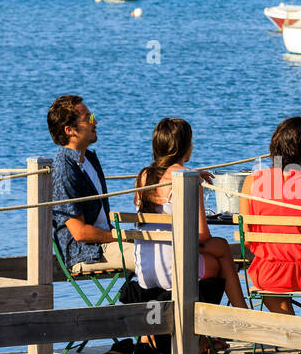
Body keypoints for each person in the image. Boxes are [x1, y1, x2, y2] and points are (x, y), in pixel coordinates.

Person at [133, 118, 247, 311]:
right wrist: (193, 180)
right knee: (220, 251)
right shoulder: (187, 178)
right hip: (173, 269)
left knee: (220, 247)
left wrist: (192, 175)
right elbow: (203, 235)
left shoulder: (143, 176)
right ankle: (236, 317)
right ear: (184, 146)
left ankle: (210, 334)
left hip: (145, 268)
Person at [239, 117, 301, 322]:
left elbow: (247, 239)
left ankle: (296, 334)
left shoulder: (251, 182)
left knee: (272, 283)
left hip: (268, 274)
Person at [47, 94, 133, 275]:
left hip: (107, 243)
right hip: (86, 253)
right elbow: (80, 233)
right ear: (70, 130)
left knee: (173, 248)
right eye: (88, 119)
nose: (95, 122)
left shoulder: (89, 159)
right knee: (159, 256)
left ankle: (149, 297)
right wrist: (120, 237)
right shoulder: (64, 168)